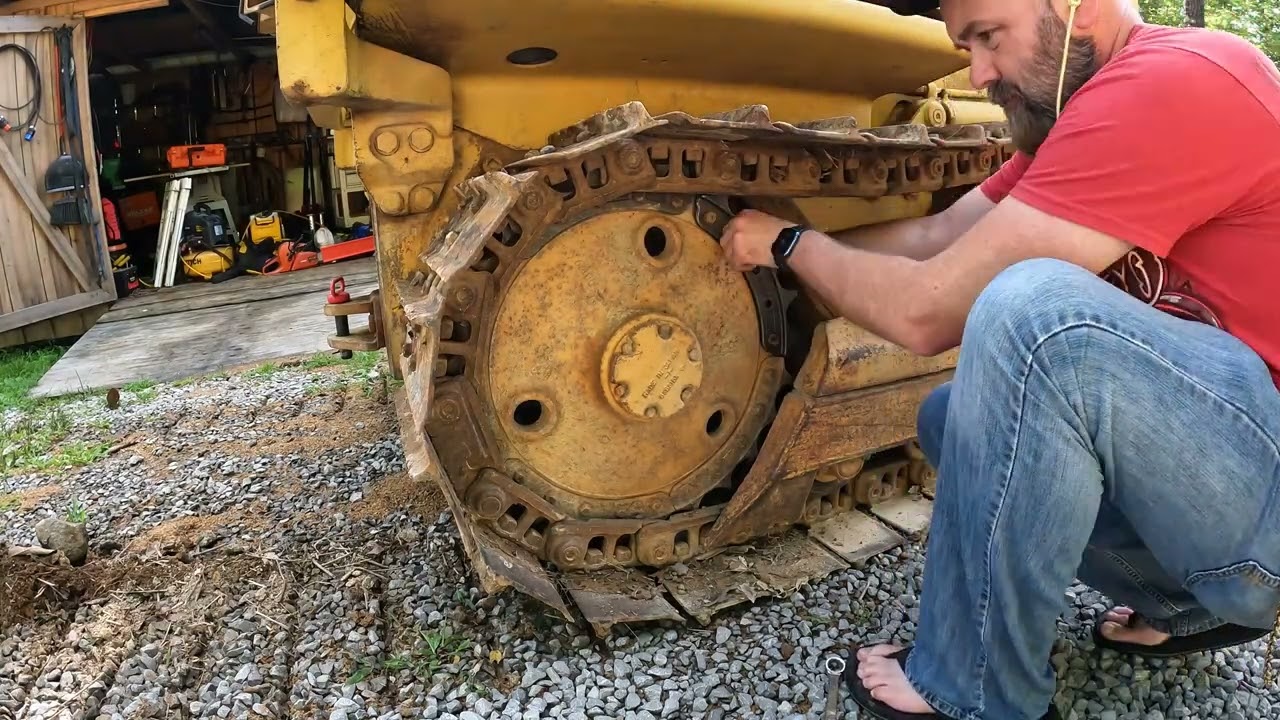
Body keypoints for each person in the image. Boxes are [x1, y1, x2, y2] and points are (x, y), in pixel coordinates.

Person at [718, 0, 1280, 718]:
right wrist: (785, 248)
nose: (979, 73)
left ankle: (975, 688)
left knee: (1035, 314)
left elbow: (924, 312)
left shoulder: (1178, 78)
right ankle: (1189, 604)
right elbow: (939, 239)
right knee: (953, 418)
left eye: (988, 37)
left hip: (1265, 508)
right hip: (1226, 499)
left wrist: (792, 245)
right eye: (966, 48)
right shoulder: (1076, 121)